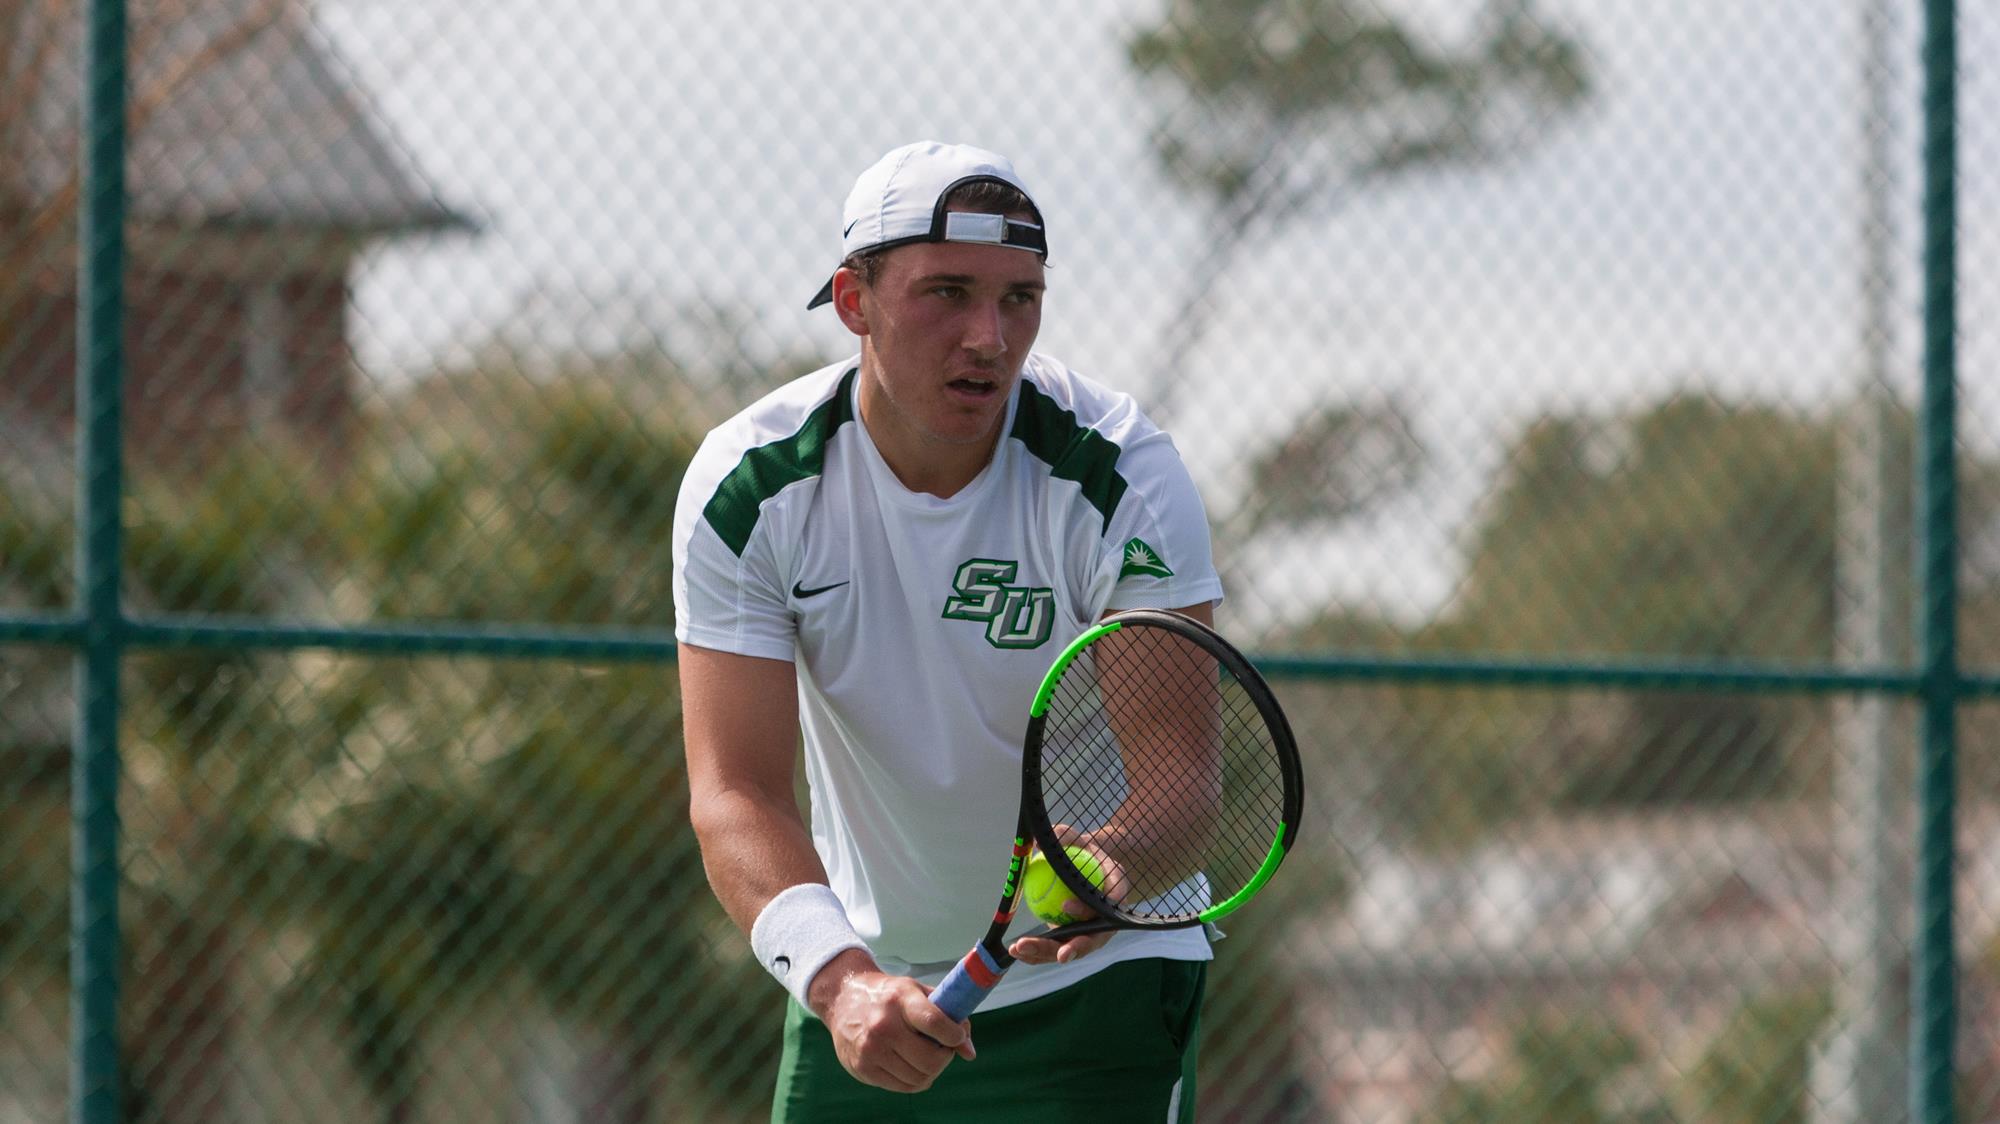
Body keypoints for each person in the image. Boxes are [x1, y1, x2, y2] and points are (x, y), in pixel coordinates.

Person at [672, 140, 1223, 1122]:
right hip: (868, 993)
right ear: (854, 301)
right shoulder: (748, 490)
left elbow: (1181, 778)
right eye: (947, 293)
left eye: (1020, 297)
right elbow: (734, 791)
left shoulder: (1121, 473)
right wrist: (839, 981)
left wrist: (1112, 862)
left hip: (1100, 989)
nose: (988, 335)